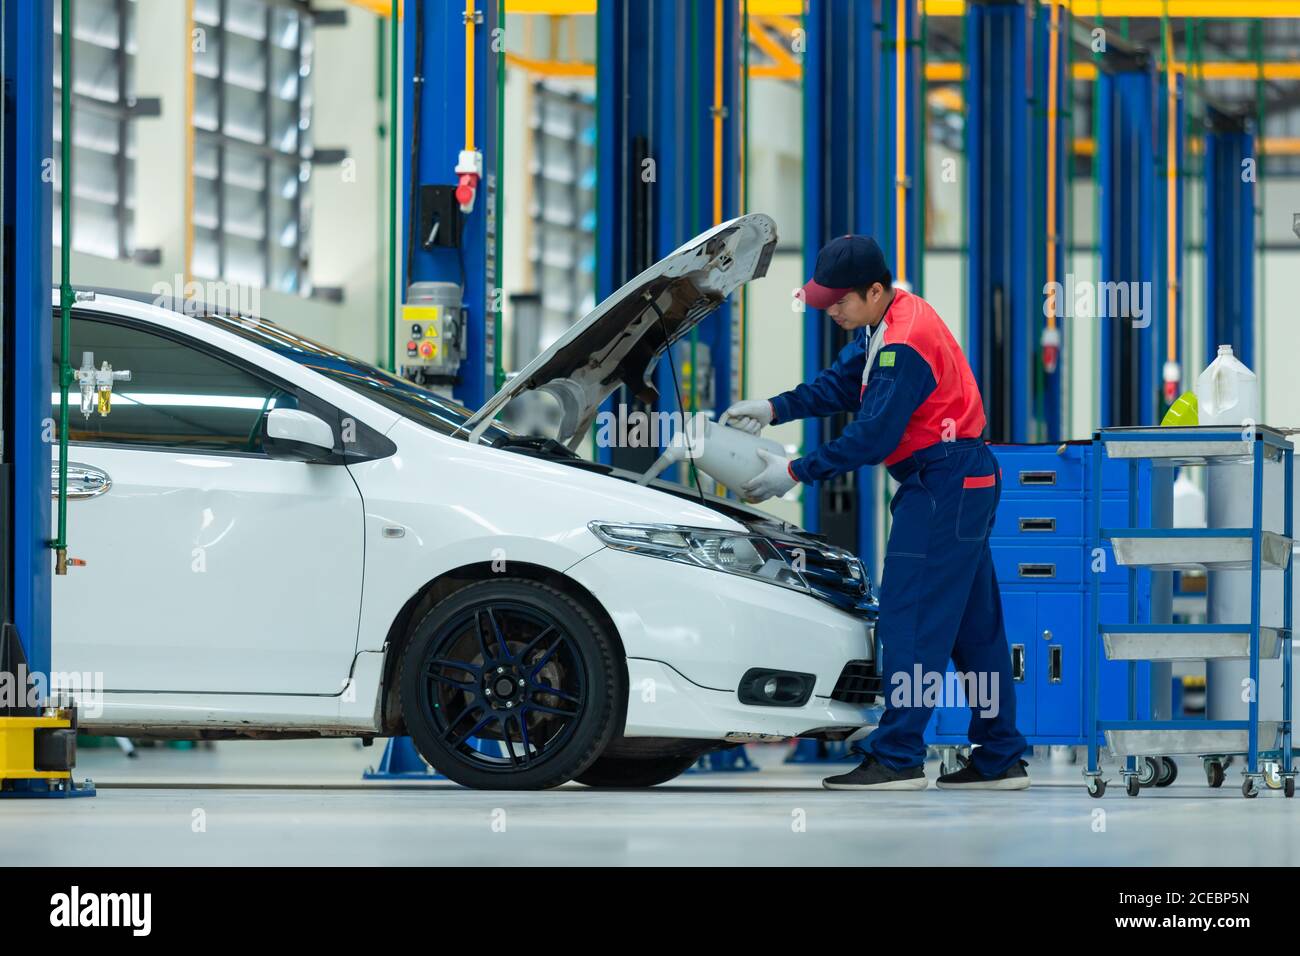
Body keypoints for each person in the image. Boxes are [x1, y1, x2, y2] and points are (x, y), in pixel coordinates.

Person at [726, 235, 1029, 791]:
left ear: (874, 289)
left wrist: (792, 474)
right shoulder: (882, 326)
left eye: (840, 301)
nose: (832, 310)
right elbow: (842, 385)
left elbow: (872, 436)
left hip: (943, 483)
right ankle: (1001, 754)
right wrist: (774, 408)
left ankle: (897, 757)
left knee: (909, 619)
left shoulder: (903, 343)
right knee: (973, 629)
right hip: (961, 479)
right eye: (826, 301)